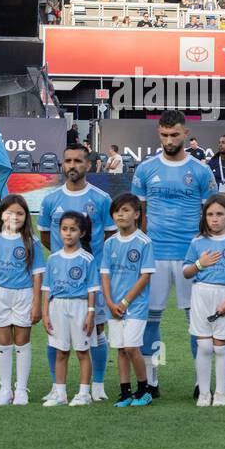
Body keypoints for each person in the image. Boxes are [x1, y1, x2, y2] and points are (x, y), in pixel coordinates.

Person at [132, 111, 217, 399]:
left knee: (195, 320)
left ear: (185, 134)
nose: (169, 140)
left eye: (175, 135)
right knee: (150, 319)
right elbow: (139, 215)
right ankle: (152, 379)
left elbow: (210, 216)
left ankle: (200, 380)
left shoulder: (201, 172)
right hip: (154, 256)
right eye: (165, 135)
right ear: (159, 134)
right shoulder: (144, 170)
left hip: (189, 257)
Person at [38, 142, 116, 403]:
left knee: (97, 330)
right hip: (61, 282)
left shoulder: (101, 199)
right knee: (55, 336)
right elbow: (46, 237)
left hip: (92, 281)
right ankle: (56, 386)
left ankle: (98, 384)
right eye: (68, 161)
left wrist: (89, 264)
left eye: (78, 161)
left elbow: (109, 236)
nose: (72, 166)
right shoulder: (51, 200)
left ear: (89, 165)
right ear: (63, 164)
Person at [183, 195, 225, 407]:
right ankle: (204, 393)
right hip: (201, 294)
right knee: (203, 346)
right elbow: (186, 272)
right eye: (210, 214)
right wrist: (200, 264)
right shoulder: (197, 242)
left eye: (219, 214)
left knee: (220, 347)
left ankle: (220, 393)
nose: (214, 219)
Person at [0, 195, 44, 406]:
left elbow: (37, 274)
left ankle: (21, 390)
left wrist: (37, 302)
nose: (14, 216)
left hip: (24, 294)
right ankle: (5, 389)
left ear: (26, 216)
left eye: (19, 213)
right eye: (9, 212)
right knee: (3, 341)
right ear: (1, 215)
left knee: (22, 340)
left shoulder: (32, 241)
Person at [99, 194, 155, 408]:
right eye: (117, 211)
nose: (120, 214)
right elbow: (104, 274)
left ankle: (144, 390)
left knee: (132, 347)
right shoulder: (110, 242)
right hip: (113, 307)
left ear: (137, 214)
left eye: (126, 210)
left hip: (135, 305)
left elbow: (145, 275)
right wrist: (110, 302)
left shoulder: (144, 242)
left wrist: (125, 301)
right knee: (120, 349)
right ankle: (125, 393)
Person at [42, 212, 99, 406]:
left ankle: (84, 393)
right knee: (60, 351)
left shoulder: (87, 259)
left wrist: (91, 313)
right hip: (57, 307)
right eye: (64, 229)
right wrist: (45, 313)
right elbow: (47, 289)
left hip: (80, 306)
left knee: (82, 351)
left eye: (73, 229)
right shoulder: (53, 258)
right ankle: (60, 393)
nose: (68, 233)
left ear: (81, 233)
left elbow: (92, 289)